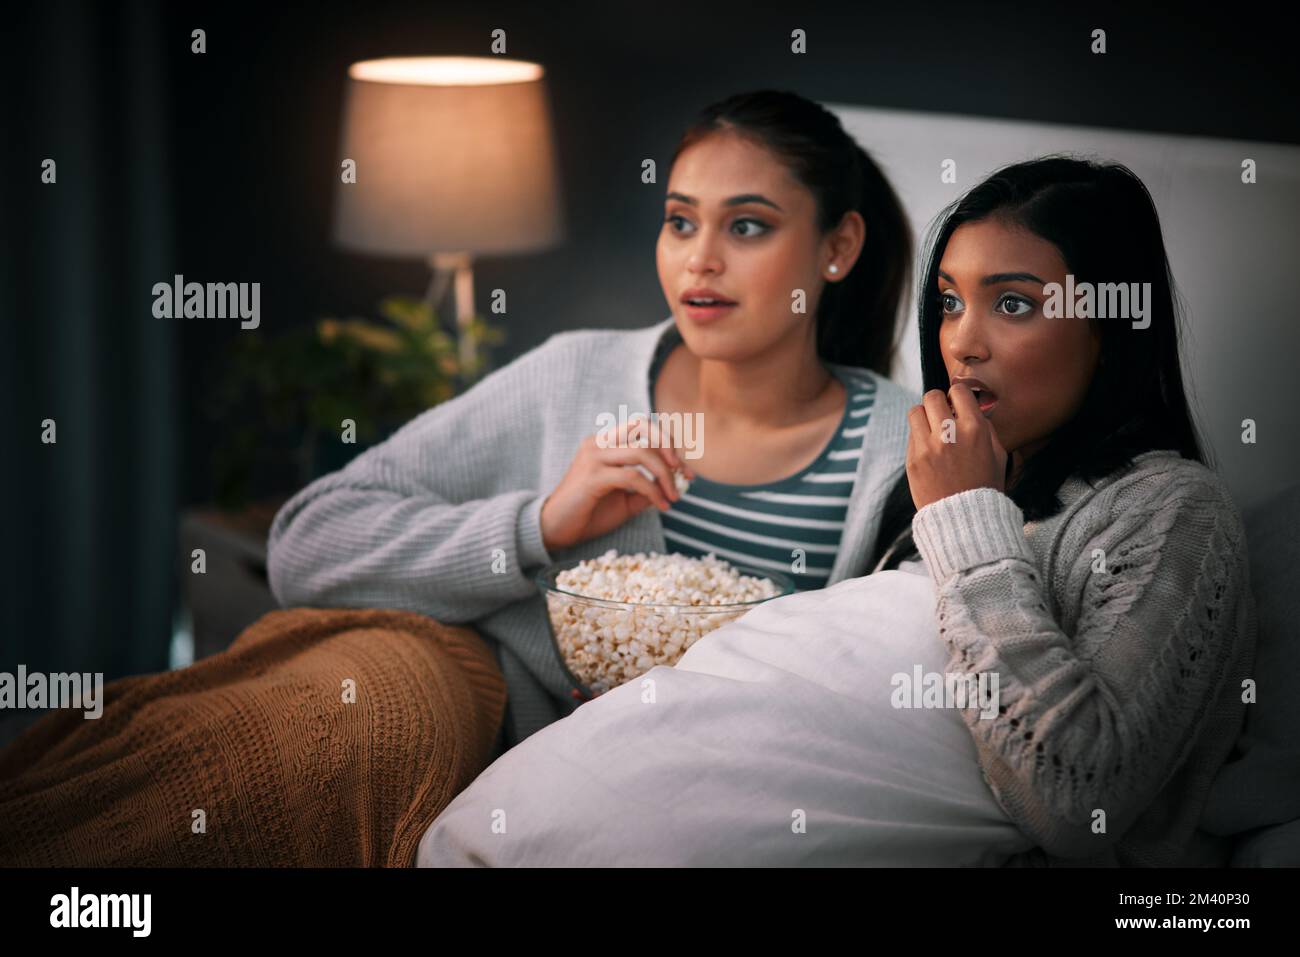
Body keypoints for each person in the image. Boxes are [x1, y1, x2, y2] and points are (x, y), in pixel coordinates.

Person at [418, 156, 1257, 868]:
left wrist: (966, 512)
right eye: (951, 301)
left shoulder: (1171, 509)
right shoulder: (934, 479)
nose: (962, 341)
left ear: (1112, 326)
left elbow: (1080, 798)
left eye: (1013, 303)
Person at [267, 90, 918, 750]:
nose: (700, 260)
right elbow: (303, 546)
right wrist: (541, 526)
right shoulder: (573, 375)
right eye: (680, 222)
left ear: (838, 246)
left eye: (747, 226)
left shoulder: (903, 447)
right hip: (537, 789)